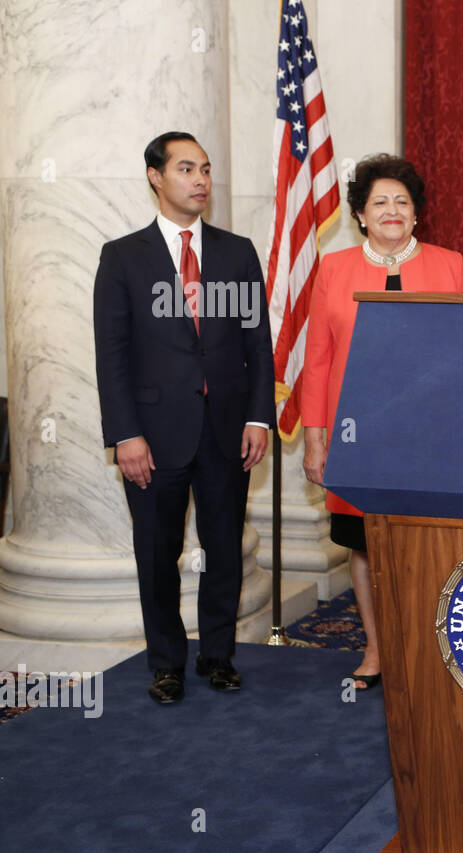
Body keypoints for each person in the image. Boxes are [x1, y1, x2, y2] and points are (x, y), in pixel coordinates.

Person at [93, 132, 274, 703]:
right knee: (157, 554)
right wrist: (125, 433)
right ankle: (165, 662)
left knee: (224, 550)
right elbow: (112, 353)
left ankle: (217, 656)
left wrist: (259, 418)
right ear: (155, 177)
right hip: (152, 436)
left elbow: (258, 345)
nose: (201, 180)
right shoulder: (122, 256)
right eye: (186, 168)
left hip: (226, 431)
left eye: (206, 169)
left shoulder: (236, 251)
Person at [301, 154, 463, 690]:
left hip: (431, 436)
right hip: (359, 435)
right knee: (365, 543)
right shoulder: (333, 269)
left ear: (417, 213)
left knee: (427, 543)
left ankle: (430, 649)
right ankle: (376, 650)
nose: (392, 211)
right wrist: (315, 438)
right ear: (360, 215)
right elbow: (319, 359)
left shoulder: (450, 265)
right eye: (380, 202)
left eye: (402, 201)